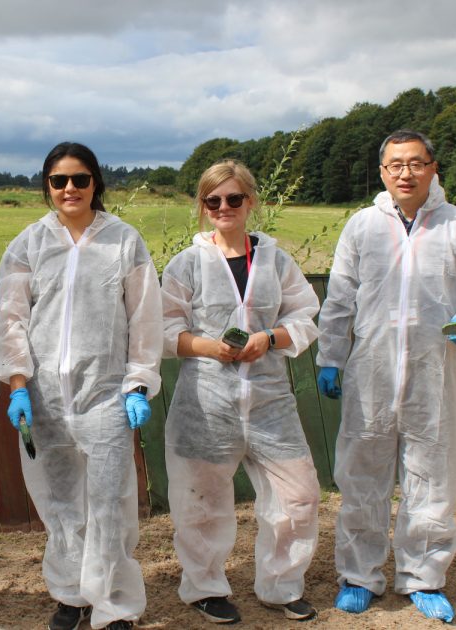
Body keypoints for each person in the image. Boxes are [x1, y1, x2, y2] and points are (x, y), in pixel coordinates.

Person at [315, 129, 456, 623]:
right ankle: (359, 575)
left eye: (416, 163)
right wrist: (330, 357)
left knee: (433, 475)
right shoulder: (362, 227)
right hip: (370, 372)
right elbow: (339, 298)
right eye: (395, 164)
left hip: (433, 371)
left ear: (433, 168)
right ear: (381, 171)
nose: (406, 172)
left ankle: (423, 577)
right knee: (361, 476)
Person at [0, 142, 163, 630]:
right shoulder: (29, 244)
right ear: (46, 186)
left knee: (112, 504)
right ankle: (71, 595)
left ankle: (114, 605)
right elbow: (11, 320)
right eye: (59, 180)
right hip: (43, 398)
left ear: (96, 184)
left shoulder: (123, 241)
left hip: (106, 394)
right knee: (60, 502)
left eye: (80, 179)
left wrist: (137, 383)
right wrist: (19, 383)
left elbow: (145, 320)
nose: (70, 189)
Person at [160, 160, 322, 624]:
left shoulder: (275, 259)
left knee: (299, 496)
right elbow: (165, 330)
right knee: (201, 502)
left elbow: (305, 318)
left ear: (250, 202)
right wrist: (212, 347)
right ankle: (206, 588)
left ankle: (282, 586)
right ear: (203, 206)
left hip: (271, 402)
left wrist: (269, 339)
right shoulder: (186, 264)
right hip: (206, 404)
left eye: (233, 198)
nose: (223, 207)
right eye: (213, 200)